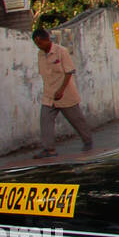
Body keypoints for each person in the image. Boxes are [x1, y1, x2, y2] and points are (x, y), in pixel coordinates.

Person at [32, 28, 93, 158]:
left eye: (41, 43)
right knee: (45, 120)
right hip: (49, 94)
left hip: (65, 93)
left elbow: (69, 72)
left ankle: (87, 140)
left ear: (47, 39)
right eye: (36, 44)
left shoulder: (61, 51)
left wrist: (61, 90)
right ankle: (49, 149)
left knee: (76, 120)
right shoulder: (40, 54)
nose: (39, 46)